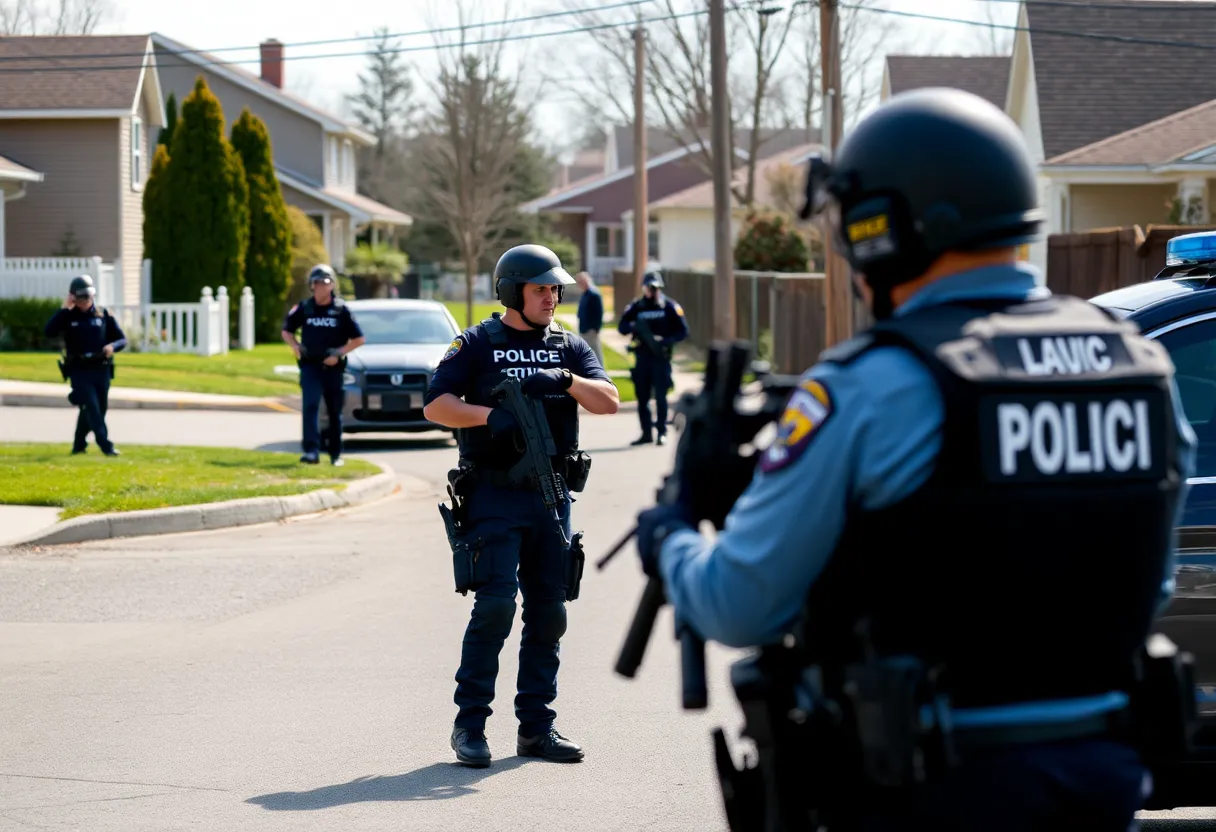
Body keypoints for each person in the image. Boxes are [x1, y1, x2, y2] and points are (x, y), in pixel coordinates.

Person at [633, 87, 1195, 830]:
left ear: (885, 229)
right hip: (1100, 780)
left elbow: (740, 603)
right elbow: (1143, 581)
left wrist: (670, 535)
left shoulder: (877, 384)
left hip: (931, 784)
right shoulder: (1138, 366)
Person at [422, 243, 619, 768]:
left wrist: (568, 380)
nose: (552, 297)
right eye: (541, 289)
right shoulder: (476, 344)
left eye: (555, 289)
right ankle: (469, 726)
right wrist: (488, 417)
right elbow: (436, 403)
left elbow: (610, 400)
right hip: (493, 495)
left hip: (552, 497)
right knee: (494, 606)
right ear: (512, 292)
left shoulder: (568, 346)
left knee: (550, 612)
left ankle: (536, 728)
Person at [281, 264, 365, 466]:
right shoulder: (305, 308)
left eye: (325, 283)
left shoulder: (341, 310)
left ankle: (336, 454)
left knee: (334, 410)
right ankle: (311, 452)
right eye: (317, 283)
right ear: (311, 286)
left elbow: (358, 338)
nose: (320, 287)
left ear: (332, 285)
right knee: (310, 406)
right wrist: (296, 346)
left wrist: (339, 353)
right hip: (310, 366)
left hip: (333, 368)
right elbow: (287, 330)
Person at [44, 275, 127, 457]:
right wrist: (64, 308)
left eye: (87, 298)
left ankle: (79, 445)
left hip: (101, 368)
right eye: (80, 298)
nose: (84, 302)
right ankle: (106, 446)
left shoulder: (104, 314)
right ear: (73, 297)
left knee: (98, 408)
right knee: (91, 405)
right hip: (79, 370)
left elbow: (122, 339)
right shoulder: (68, 316)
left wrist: (112, 347)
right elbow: (49, 331)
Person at [616, 264, 688, 446]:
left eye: (655, 287)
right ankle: (646, 433)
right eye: (649, 287)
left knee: (661, 397)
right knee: (642, 398)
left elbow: (682, 331)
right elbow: (622, 327)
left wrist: (664, 340)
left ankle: (661, 432)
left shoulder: (669, 306)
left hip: (661, 358)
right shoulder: (636, 306)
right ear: (644, 287)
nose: (652, 290)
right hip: (642, 358)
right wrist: (636, 328)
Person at [574, 271, 604, 367]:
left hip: (591, 329)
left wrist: (596, 328)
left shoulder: (593, 294)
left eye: (580, 282)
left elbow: (599, 313)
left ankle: (600, 371)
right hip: (584, 327)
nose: (579, 285)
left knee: (594, 351)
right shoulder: (585, 293)